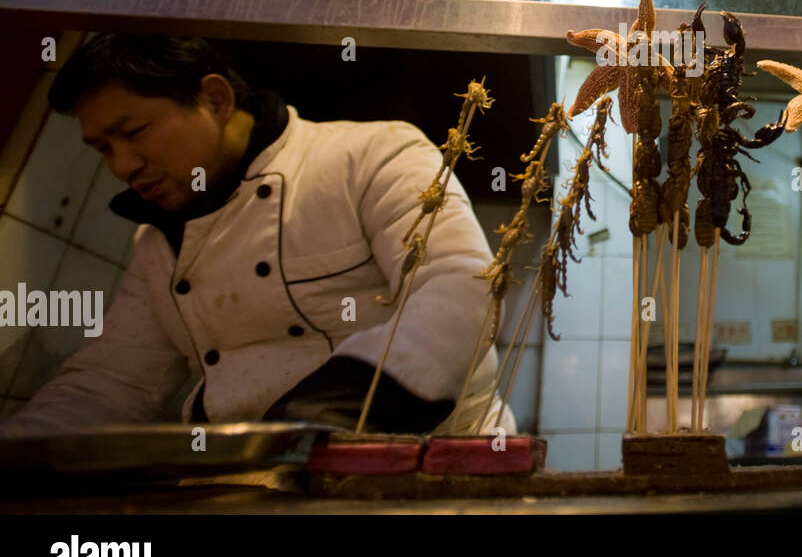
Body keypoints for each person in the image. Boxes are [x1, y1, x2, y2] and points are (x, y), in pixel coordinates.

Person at [0, 34, 511, 437]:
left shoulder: (372, 155)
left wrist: (318, 417)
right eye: (102, 148)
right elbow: (113, 381)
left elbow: (461, 290)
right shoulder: (157, 243)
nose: (122, 166)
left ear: (216, 99)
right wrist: (25, 448)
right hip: (246, 480)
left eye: (133, 133)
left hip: (413, 472)